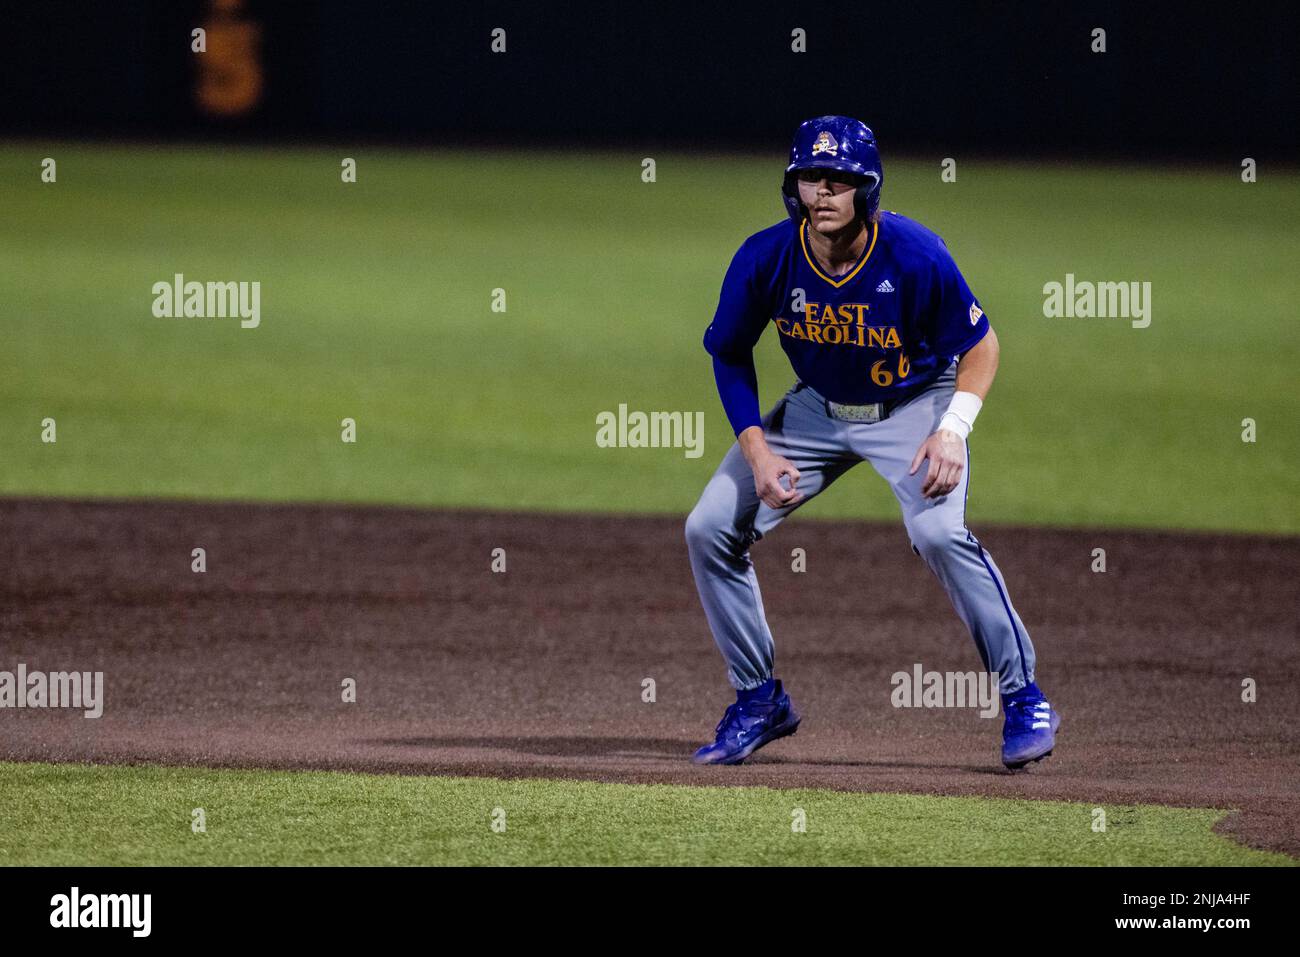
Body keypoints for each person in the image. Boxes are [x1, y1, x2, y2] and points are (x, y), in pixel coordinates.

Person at [685, 115, 1060, 769]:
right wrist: (758, 449)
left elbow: (982, 346)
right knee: (709, 526)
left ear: (867, 187)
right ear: (792, 186)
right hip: (815, 412)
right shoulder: (765, 257)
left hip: (915, 406)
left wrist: (953, 430)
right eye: (810, 177)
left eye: (839, 179)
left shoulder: (915, 254)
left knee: (940, 534)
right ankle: (758, 698)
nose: (823, 191)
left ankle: (1024, 695)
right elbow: (728, 352)